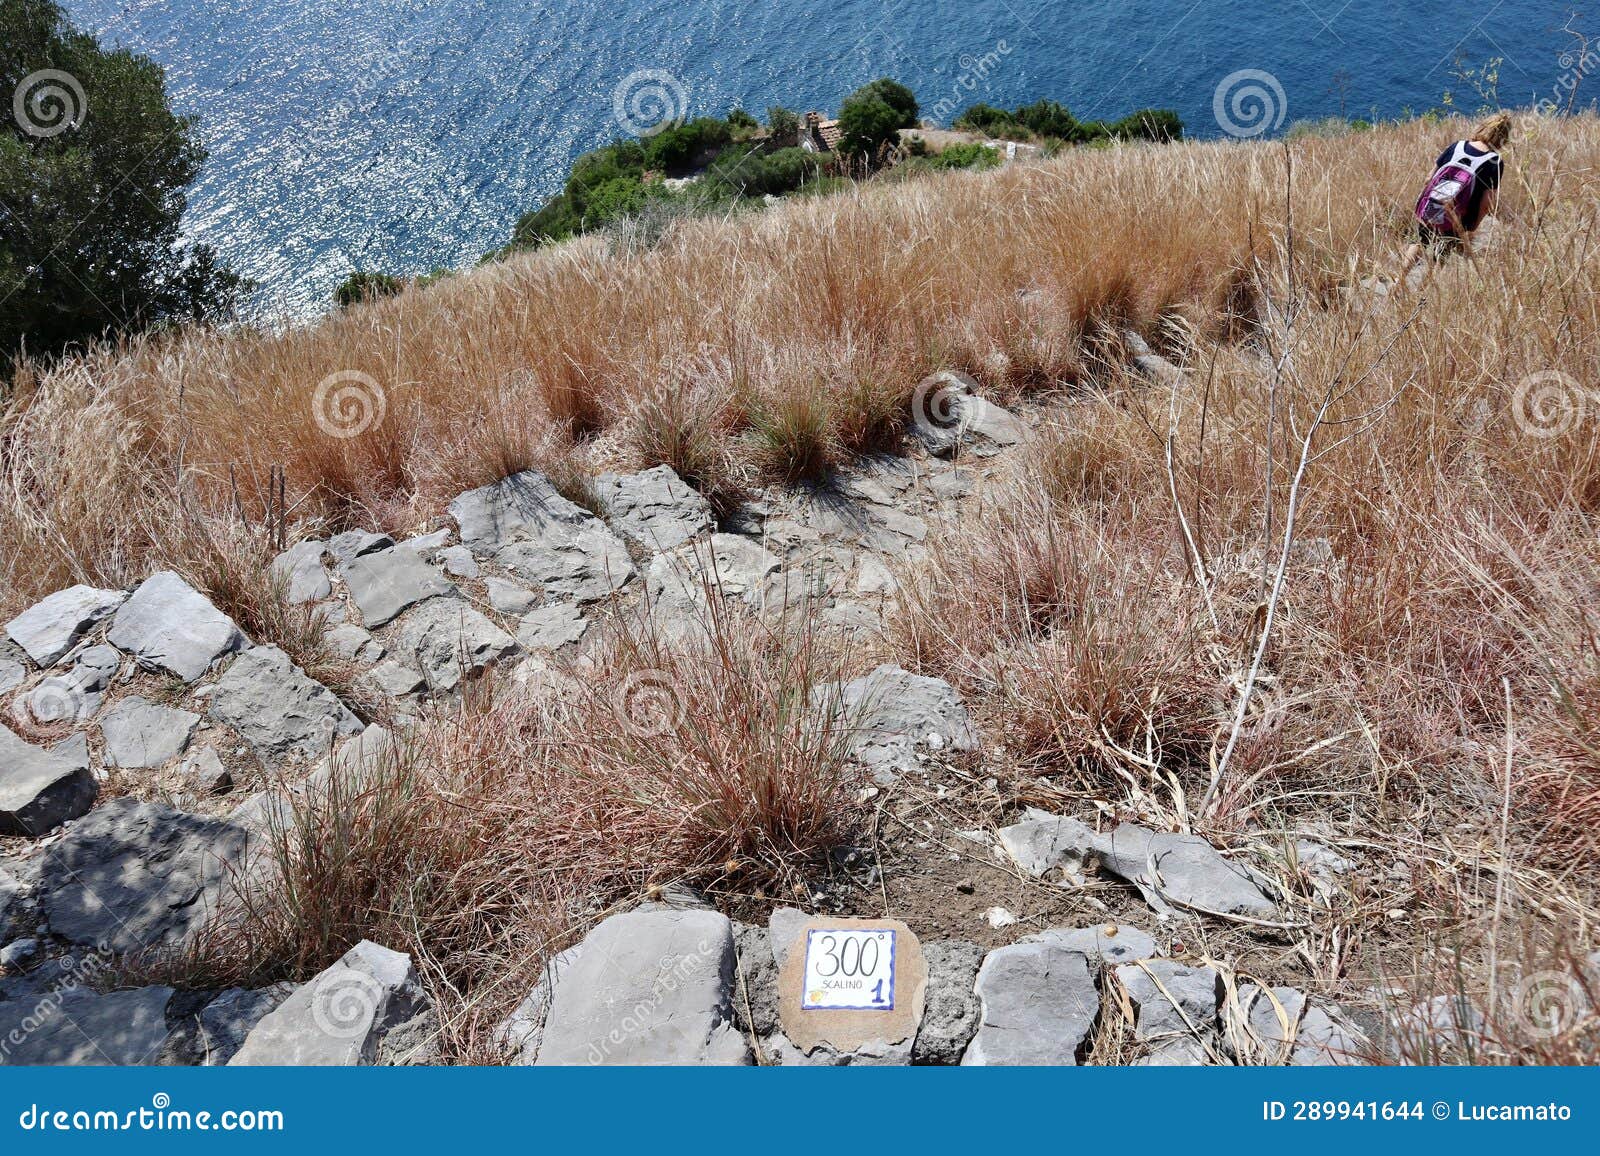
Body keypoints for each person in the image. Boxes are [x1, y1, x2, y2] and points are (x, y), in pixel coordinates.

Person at [1397, 110, 1510, 288]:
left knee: (1418, 242)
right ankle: (1422, 291)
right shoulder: (1494, 161)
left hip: (1431, 207)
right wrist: (1474, 225)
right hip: (1457, 218)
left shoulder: (1456, 146)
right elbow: (1487, 203)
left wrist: (1425, 202)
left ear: (1483, 127)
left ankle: (1398, 282)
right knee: (1440, 255)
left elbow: (1429, 178)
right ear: (1504, 137)